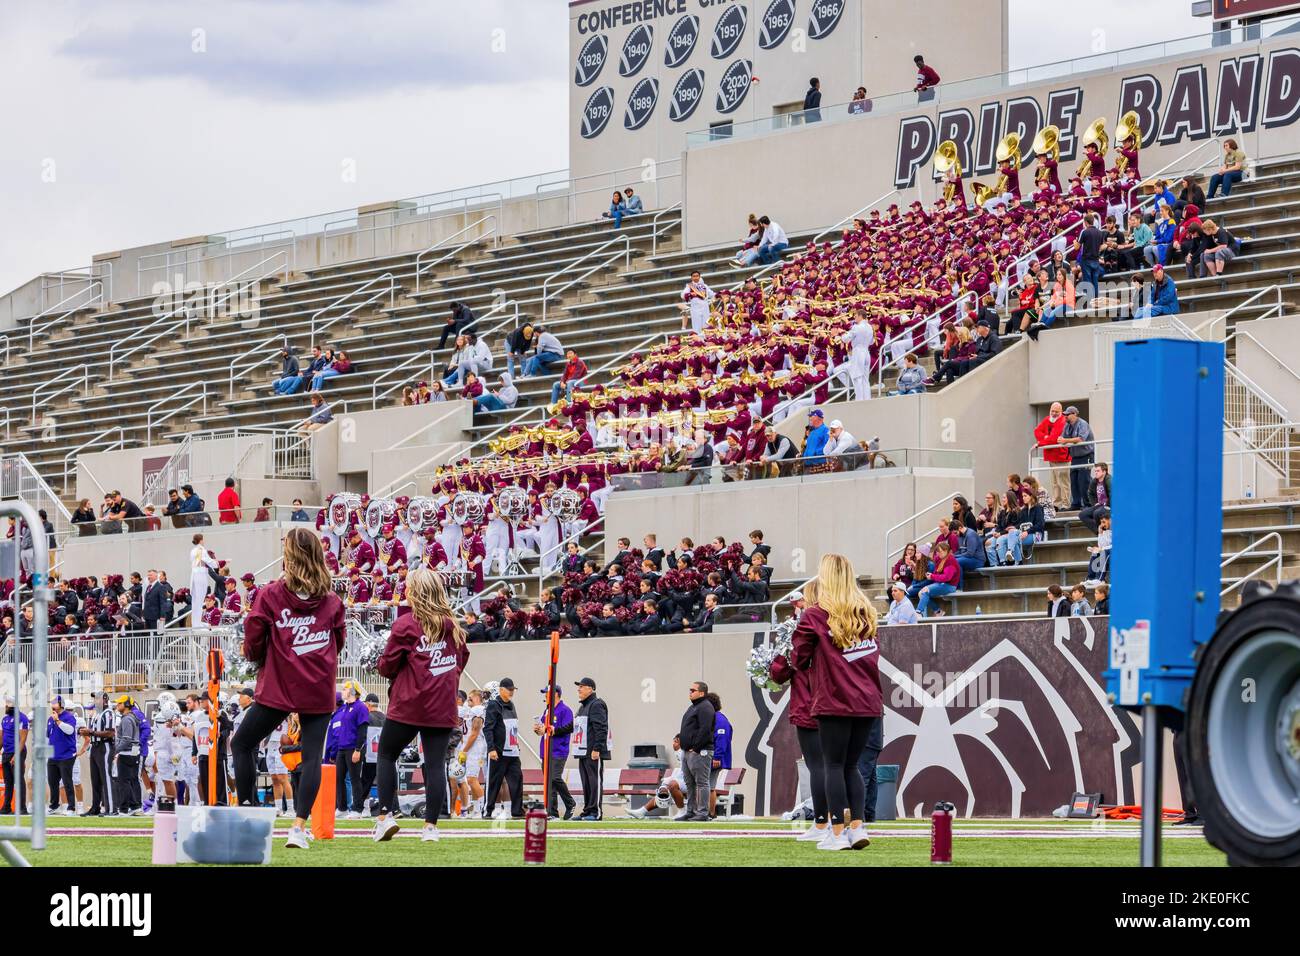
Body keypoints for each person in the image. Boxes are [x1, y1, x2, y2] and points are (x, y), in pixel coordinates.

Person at [232, 527, 346, 849]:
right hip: (318, 687)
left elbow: (253, 639)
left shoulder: (270, 594)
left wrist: (257, 657)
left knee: (242, 743)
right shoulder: (332, 601)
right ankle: (297, 827)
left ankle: (248, 812)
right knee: (312, 757)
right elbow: (338, 642)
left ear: (289, 556)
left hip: (280, 686)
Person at [370, 569, 468, 844]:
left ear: (416, 592)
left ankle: (385, 816)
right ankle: (430, 828)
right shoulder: (453, 625)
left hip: (409, 702)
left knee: (387, 755)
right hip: (441, 704)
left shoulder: (406, 623)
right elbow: (460, 662)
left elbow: (388, 665)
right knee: (436, 765)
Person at [791, 553, 880, 851]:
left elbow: (798, 658)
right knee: (852, 766)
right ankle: (858, 827)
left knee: (833, 765)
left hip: (834, 700)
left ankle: (838, 833)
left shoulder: (815, 615)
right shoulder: (867, 612)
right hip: (868, 701)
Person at [676, 681, 715, 823]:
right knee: (689, 783)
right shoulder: (693, 707)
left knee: (702, 783)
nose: (690, 692)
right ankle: (691, 811)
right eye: (689, 690)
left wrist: (696, 747)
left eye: (693, 690)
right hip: (687, 752)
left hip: (700, 752)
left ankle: (702, 813)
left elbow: (705, 729)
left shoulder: (705, 707)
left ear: (702, 693)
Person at [534, 685, 576, 820]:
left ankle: (570, 803)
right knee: (548, 782)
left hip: (559, 750)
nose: (545, 696)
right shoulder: (547, 710)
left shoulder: (565, 710)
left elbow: (569, 727)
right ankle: (552, 812)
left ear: (556, 694)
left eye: (547, 693)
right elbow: (544, 728)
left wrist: (552, 730)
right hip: (546, 750)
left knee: (554, 778)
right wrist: (539, 729)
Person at [484, 678, 524, 819]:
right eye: (509, 689)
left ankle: (517, 811)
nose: (511, 692)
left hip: (513, 752)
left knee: (517, 781)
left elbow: (512, 728)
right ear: (501, 690)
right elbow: (488, 728)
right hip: (498, 752)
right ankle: (488, 811)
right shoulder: (494, 705)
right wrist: (491, 748)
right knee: (494, 783)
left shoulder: (511, 705)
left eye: (513, 689)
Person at [572, 676, 609, 821]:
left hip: (592, 751)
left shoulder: (596, 704)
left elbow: (601, 728)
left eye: (582, 686)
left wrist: (597, 748)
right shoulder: (582, 707)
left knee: (594, 781)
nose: (578, 689)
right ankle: (587, 811)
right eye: (579, 686)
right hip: (582, 751)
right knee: (586, 782)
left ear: (591, 688)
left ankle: (596, 812)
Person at [333, 682, 370, 819]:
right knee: (339, 778)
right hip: (342, 748)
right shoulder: (344, 708)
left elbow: (362, 730)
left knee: (355, 779)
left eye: (345, 689)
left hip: (353, 748)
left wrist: (358, 749)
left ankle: (357, 809)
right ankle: (342, 807)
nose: (342, 691)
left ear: (353, 691)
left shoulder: (360, 707)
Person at [1059, 405, 1096, 511]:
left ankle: (1088, 504)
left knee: (1083, 480)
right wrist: (1061, 439)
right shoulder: (1067, 426)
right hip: (1075, 457)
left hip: (1086, 455)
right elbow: (1063, 438)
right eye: (1064, 414)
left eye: (1067, 414)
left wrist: (1065, 441)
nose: (1065, 416)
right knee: (1074, 480)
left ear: (1074, 414)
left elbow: (1081, 439)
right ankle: (1076, 503)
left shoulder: (1083, 424)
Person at [1034, 402, 1071, 508]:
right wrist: (1045, 437)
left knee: (1063, 482)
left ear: (1061, 411)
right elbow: (1037, 431)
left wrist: (1041, 441)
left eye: (1056, 411)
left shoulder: (1063, 421)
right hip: (1051, 456)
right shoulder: (1047, 419)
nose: (1054, 413)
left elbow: (1054, 439)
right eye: (1052, 411)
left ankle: (1065, 504)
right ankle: (1056, 504)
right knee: (1055, 482)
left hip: (1062, 456)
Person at [112, 695, 143, 814]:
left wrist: (115, 750)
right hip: (133, 752)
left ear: (126, 705)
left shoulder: (126, 719)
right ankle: (135, 806)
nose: (117, 706)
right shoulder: (132, 717)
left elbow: (126, 739)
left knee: (123, 781)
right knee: (131, 780)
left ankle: (125, 808)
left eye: (119, 703)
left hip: (126, 753)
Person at [2, 694, 29, 815]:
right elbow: (1, 738)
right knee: (8, 782)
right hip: (6, 752)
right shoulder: (4, 719)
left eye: (8, 703)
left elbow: (22, 740)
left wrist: (16, 756)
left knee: (18, 780)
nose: (6, 705)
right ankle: (6, 807)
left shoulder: (22, 718)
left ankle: (22, 808)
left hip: (17, 752)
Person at [707, 692, 732, 818]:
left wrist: (717, 757)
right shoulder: (714, 718)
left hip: (715, 759)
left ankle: (711, 813)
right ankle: (709, 812)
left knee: (710, 786)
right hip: (712, 757)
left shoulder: (720, 720)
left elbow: (722, 740)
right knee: (708, 785)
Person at [1079, 462, 1112, 533]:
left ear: (1104, 472)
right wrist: (1094, 503)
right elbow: (1090, 493)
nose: (1096, 473)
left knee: (1096, 513)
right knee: (1082, 514)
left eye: (1098, 471)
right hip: (1099, 505)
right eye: (1095, 471)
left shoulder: (1109, 480)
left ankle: (1103, 530)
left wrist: (1107, 505)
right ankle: (1098, 531)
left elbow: (1113, 494)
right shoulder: (1094, 481)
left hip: (1109, 506)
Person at [681, 271, 715, 335]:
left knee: (706, 323)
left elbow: (712, 294)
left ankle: (707, 339)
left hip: (705, 306)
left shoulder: (704, 286)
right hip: (695, 307)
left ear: (699, 277)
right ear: (691, 277)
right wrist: (690, 294)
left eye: (697, 276)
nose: (696, 277)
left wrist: (720, 294)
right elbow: (683, 295)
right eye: (694, 276)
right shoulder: (689, 286)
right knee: (696, 325)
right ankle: (698, 339)